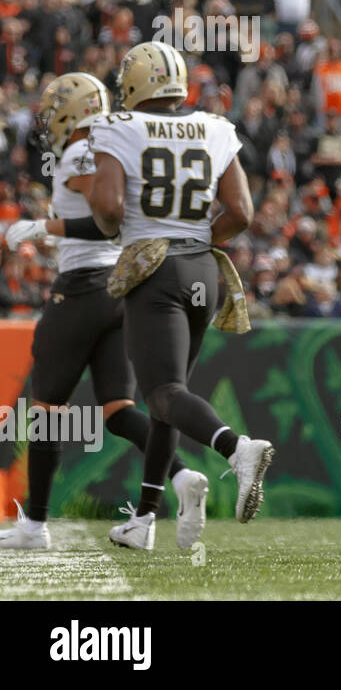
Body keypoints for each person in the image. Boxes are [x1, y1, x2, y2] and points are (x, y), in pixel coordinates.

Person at [0, 74, 206, 550]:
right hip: (119, 291)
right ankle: (179, 477)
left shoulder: (79, 152)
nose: (50, 118)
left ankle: (34, 526)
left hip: (82, 291)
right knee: (118, 411)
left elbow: (106, 223)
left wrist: (39, 226)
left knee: (47, 411)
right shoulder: (116, 146)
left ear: (74, 109)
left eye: (56, 108)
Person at [86, 43, 273, 551]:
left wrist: (116, 226)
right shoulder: (214, 126)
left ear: (133, 84)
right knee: (171, 395)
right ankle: (144, 519)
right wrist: (193, 240)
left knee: (163, 394)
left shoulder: (117, 126)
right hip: (202, 269)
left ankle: (237, 449)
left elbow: (106, 206)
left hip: (156, 268)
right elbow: (240, 211)